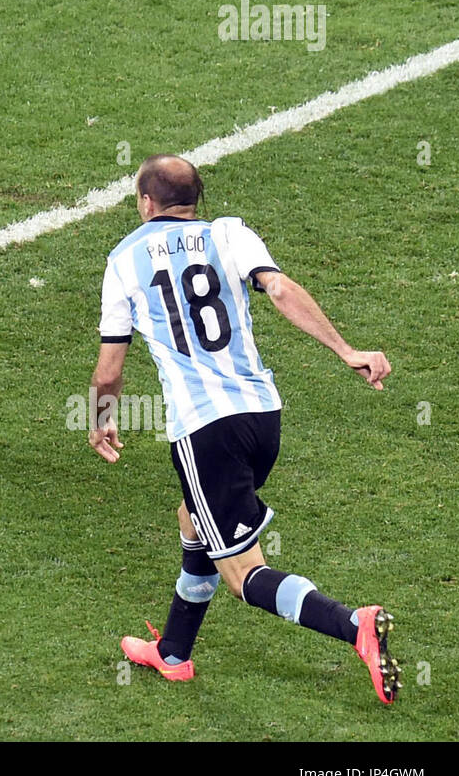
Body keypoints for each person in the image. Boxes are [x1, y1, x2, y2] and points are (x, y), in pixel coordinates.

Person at [87, 154, 398, 703]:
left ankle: (355, 626)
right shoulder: (229, 233)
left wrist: (101, 421)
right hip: (262, 416)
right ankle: (175, 653)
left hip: (205, 431)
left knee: (243, 576)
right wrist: (346, 350)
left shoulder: (121, 261)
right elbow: (279, 290)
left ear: (144, 203)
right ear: (196, 201)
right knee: (193, 516)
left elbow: (110, 369)